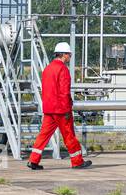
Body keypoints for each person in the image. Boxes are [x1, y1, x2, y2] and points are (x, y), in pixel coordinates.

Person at [26, 42, 91, 170]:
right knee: (69, 135)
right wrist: (67, 109)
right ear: (64, 55)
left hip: (49, 108)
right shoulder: (63, 69)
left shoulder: (48, 69)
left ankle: (33, 160)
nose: (70, 57)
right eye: (69, 55)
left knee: (43, 135)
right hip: (61, 109)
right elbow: (64, 91)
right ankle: (77, 162)